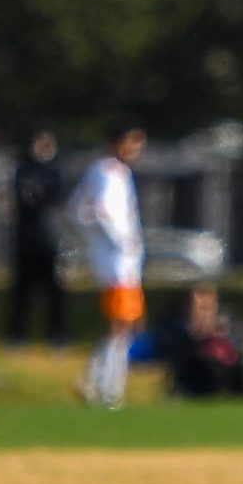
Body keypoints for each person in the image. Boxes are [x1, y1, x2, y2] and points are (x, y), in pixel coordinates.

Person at [70, 122, 146, 409]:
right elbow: (97, 211)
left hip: (123, 263)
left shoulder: (115, 172)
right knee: (120, 325)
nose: (137, 150)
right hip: (117, 264)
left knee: (124, 326)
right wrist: (117, 242)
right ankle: (106, 386)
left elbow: (77, 207)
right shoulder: (107, 172)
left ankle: (99, 380)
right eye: (132, 142)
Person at [7, 128, 70, 348]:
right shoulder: (22, 169)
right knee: (21, 291)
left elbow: (53, 198)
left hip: (50, 240)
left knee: (55, 292)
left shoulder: (55, 171)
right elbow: (23, 199)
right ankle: (17, 336)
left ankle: (57, 336)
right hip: (26, 240)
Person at [158, 285, 243, 399]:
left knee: (240, 368)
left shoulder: (227, 323)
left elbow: (241, 342)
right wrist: (196, 335)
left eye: (208, 308)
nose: (205, 313)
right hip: (195, 366)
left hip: (223, 365)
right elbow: (172, 346)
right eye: (201, 308)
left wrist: (223, 336)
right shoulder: (179, 324)